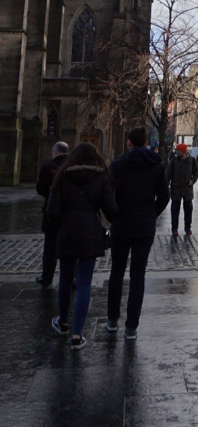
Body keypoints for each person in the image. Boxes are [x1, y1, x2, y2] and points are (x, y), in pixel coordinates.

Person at [45, 142, 117, 349]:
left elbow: (52, 210)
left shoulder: (63, 175)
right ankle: (77, 335)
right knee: (84, 283)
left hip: (67, 231)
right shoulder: (101, 176)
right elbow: (110, 210)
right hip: (90, 233)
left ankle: (63, 323)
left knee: (65, 279)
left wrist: (59, 227)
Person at [107, 125, 170, 340]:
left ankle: (112, 319)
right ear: (146, 143)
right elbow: (164, 197)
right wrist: (151, 214)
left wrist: (112, 214)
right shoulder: (156, 166)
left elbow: (107, 194)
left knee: (117, 271)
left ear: (128, 143)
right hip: (144, 226)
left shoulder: (118, 164)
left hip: (121, 223)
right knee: (138, 275)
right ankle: (131, 326)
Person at [34, 140, 69, 289]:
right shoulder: (73, 166)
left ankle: (47, 277)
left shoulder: (47, 167)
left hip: (51, 211)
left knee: (50, 247)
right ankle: (72, 278)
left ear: (55, 152)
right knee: (71, 246)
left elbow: (40, 189)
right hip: (70, 211)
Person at [166, 143, 198, 236]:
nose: (176, 152)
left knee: (188, 209)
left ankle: (187, 227)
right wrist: (166, 184)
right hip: (176, 188)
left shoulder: (191, 160)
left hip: (187, 188)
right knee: (175, 209)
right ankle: (174, 229)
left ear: (183, 151)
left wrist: (193, 181)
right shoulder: (173, 160)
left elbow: (196, 172)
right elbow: (168, 174)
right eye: (176, 150)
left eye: (178, 150)